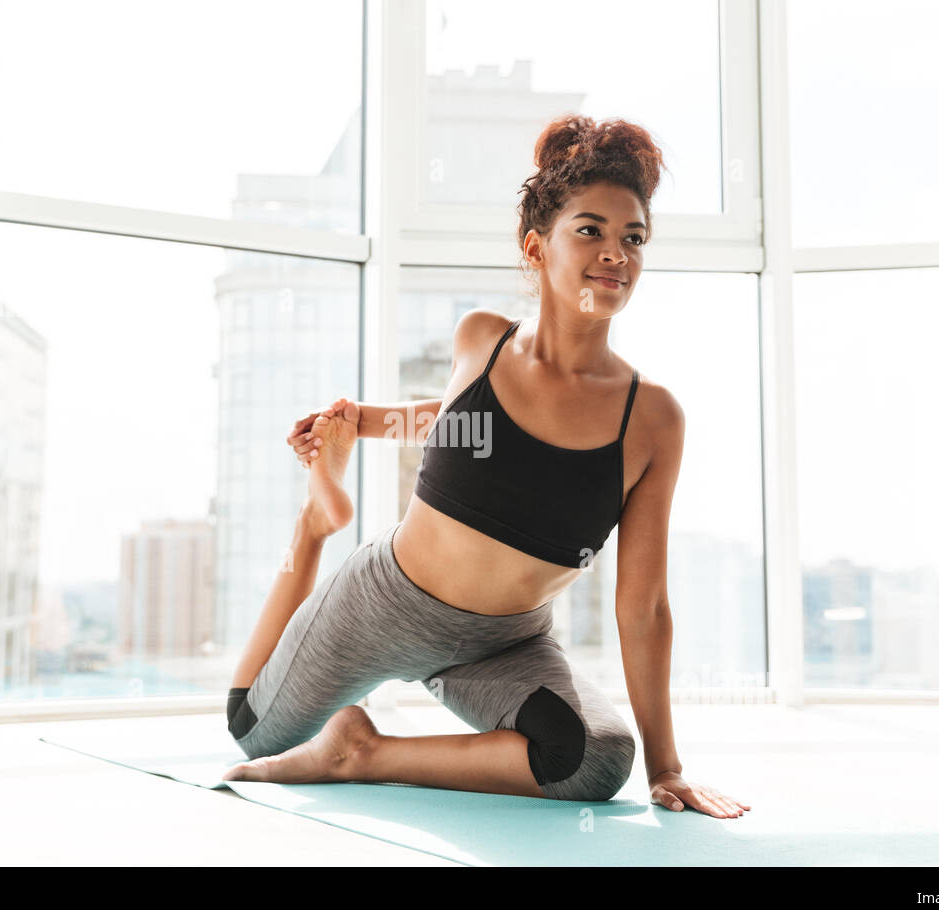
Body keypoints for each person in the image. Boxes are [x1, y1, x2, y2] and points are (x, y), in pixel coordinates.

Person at [222, 113, 749, 817]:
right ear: (537, 248)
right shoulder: (482, 339)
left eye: (633, 238)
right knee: (253, 731)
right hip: (383, 604)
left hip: (506, 641)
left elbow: (644, 606)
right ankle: (315, 525)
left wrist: (668, 767)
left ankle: (363, 753)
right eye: (589, 230)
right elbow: (460, 422)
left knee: (596, 760)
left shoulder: (651, 418)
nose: (615, 254)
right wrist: (361, 423)